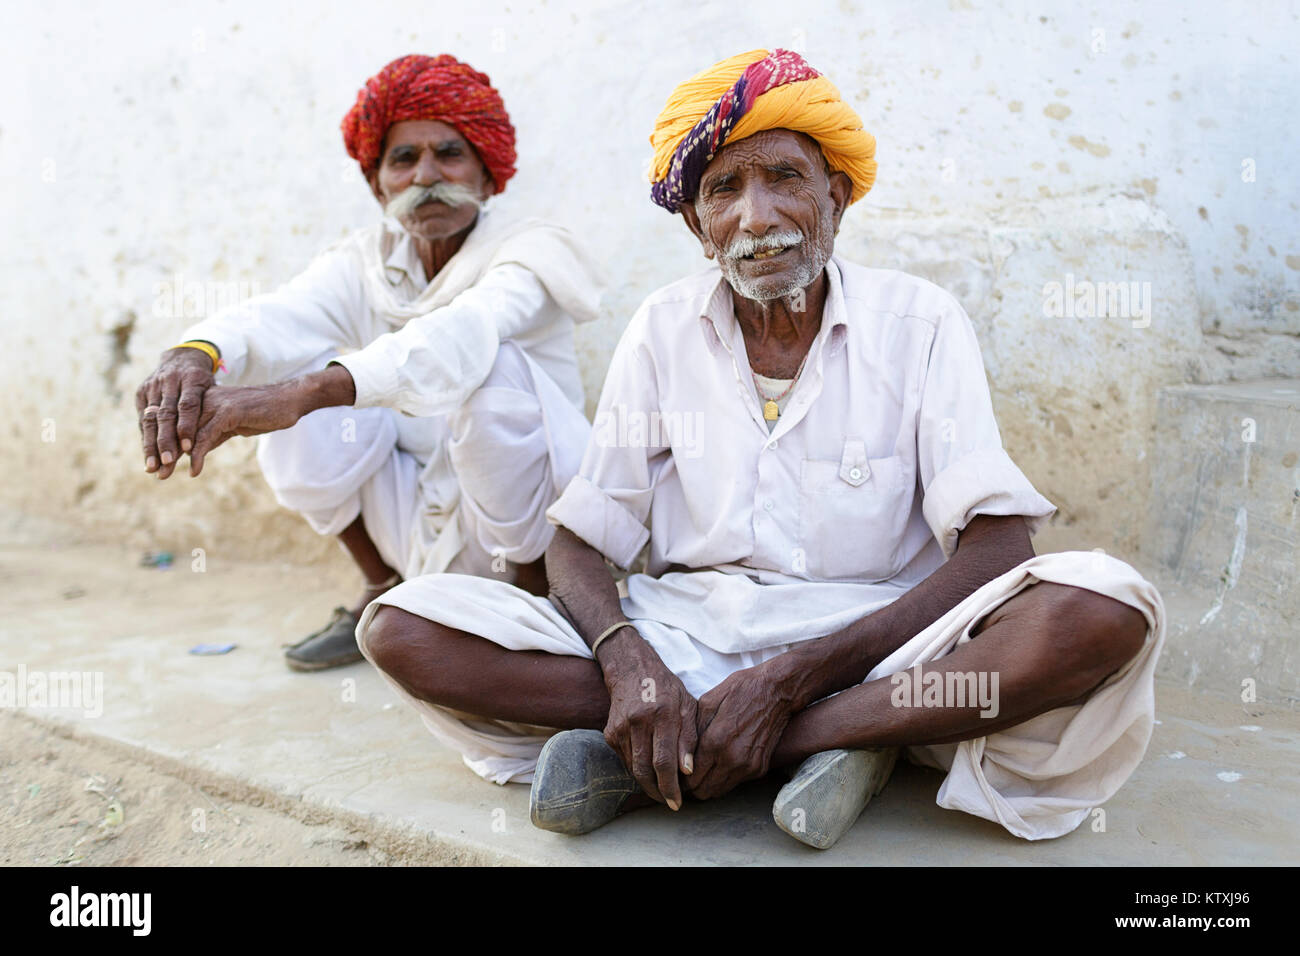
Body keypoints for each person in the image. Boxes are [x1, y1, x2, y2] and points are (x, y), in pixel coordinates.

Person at [352, 49, 1165, 848]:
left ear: (836, 199)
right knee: (401, 628)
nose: (758, 216)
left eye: (785, 178)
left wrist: (791, 683)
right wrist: (628, 661)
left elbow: (999, 545)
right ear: (698, 227)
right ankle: (828, 742)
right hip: (689, 643)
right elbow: (579, 542)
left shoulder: (920, 322)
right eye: (724, 190)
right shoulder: (662, 330)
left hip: (882, 651)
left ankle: (748, 744)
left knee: (1102, 609)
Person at [134, 54, 603, 671]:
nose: (426, 175)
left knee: (489, 370)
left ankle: (532, 607)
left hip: (531, 529)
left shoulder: (532, 248)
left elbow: (465, 331)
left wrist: (301, 393)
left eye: (449, 154)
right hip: (415, 521)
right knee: (286, 370)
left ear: (488, 176)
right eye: (403, 159)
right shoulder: (365, 262)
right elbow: (279, 315)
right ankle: (381, 586)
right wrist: (194, 353)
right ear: (379, 184)